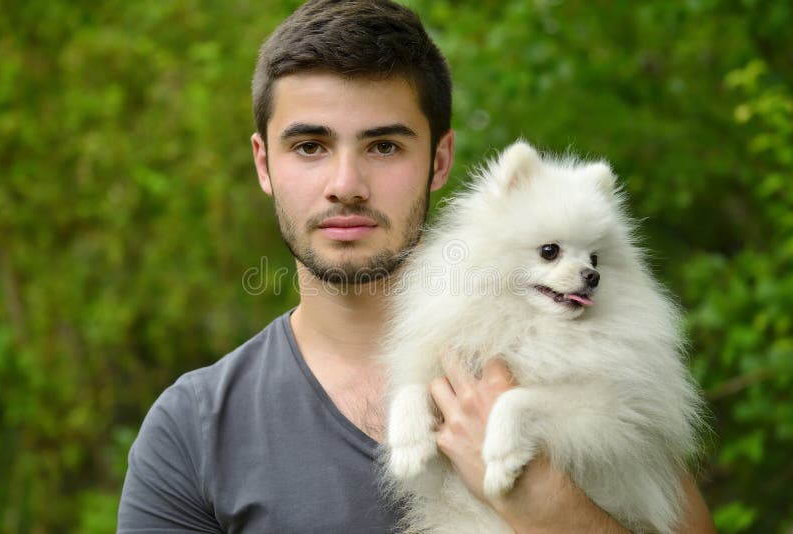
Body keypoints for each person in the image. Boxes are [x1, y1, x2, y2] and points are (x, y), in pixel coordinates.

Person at [117, 1, 716, 532]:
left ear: (439, 160)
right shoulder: (192, 432)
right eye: (309, 146)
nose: (346, 184)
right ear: (263, 163)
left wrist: (549, 505)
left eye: (384, 146)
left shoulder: (603, 367)